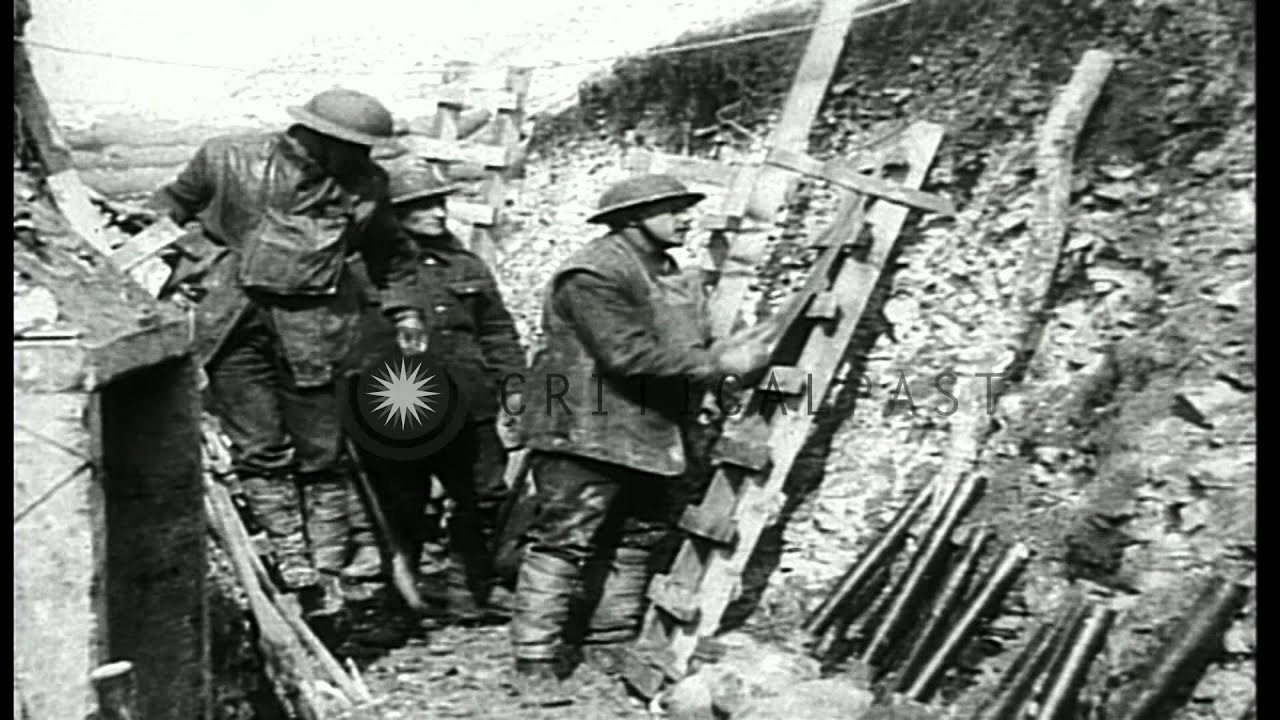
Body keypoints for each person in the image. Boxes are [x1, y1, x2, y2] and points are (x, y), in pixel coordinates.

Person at [143, 89, 428, 620]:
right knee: (259, 446)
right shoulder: (227, 157)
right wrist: (191, 256)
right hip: (230, 320)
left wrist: (406, 311)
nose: (362, 158)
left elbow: (391, 255)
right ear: (319, 136)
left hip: (315, 328)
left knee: (322, 452)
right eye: (354, 146)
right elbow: (165, 208)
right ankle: (291, 559)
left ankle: (329, 562)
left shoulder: (367, 186)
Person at [509, 174, 779, 698]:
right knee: (564, 539)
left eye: (685, 208)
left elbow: (678, 343)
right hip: (583, 424)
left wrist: (723, 350)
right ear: (633, 218)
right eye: (673, 209)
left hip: (646, 427)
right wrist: (717, 364)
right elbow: (625, 353)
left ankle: (608, 637)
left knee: (635, 538)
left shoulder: (665, 270)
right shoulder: (592, 274)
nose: (686, 218)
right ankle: (534, 659)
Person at [345, 162, 525, 623]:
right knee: (402, 503)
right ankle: (400, 601)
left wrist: (514, 388)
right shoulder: (368, 269)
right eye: (421, 206)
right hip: (402, 403)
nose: (438, 214)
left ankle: (471, 591)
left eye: (439, 202)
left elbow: (497, 330)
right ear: (392, 215)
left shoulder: (465, 264)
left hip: (472, 400)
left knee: (483, 497)